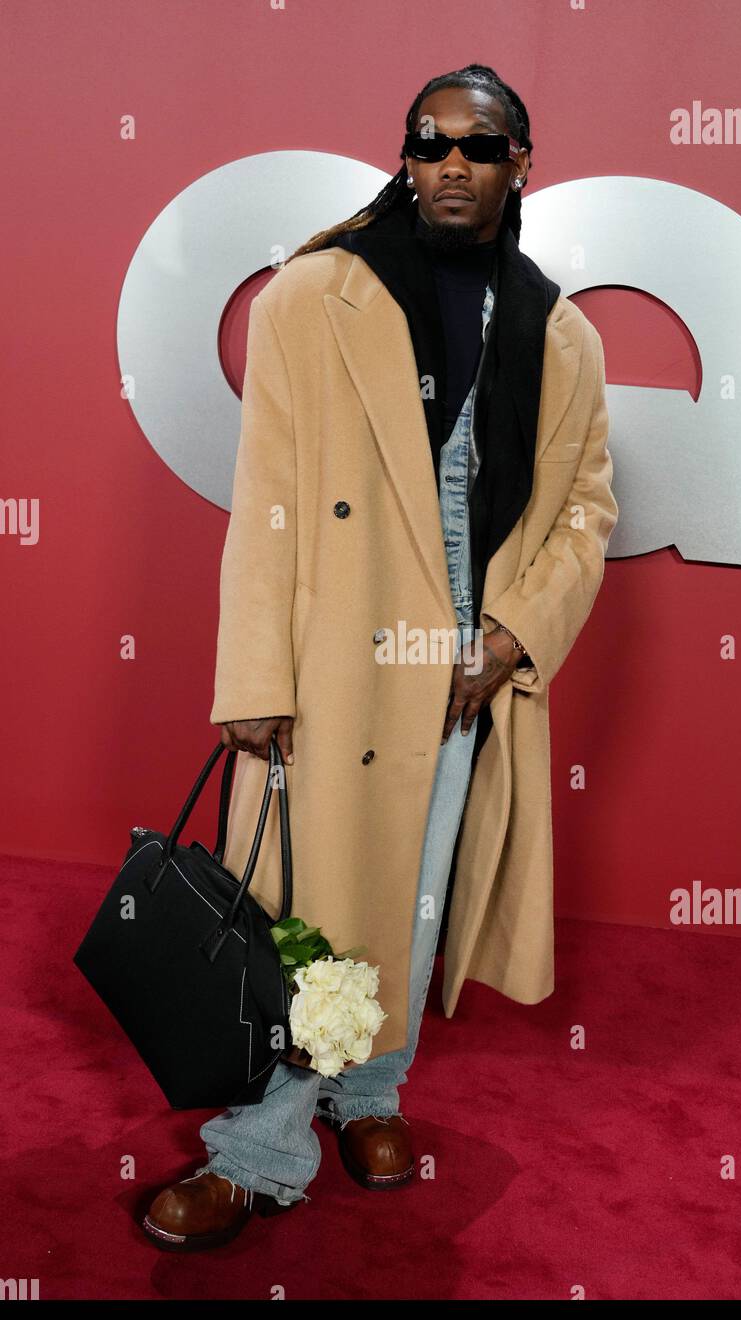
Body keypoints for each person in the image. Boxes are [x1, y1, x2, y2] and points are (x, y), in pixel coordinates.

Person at [142, 62, 618, 1252]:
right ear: (405, 158)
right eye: (431, 142)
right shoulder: (313, 297)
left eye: (481, 145)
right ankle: (260, 1144)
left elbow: (586, 512)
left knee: (411, 894)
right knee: (304, 906)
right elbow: (267, 503)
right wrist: (254, 674)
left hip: (464, 656)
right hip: (334, 645)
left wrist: (510, 633)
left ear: (522, 165)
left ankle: (371, 1092)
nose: (454, 164)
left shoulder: (561, 332)